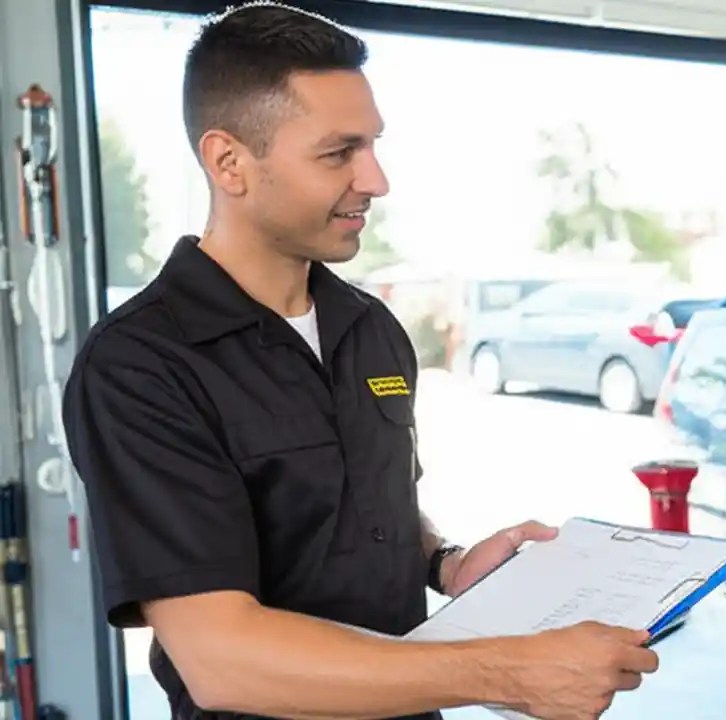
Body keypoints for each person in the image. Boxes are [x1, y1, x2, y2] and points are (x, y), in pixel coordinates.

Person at [62, 4, 657, 719]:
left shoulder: (369, 326)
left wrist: (446, 562)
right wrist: (510, 672)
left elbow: (364, 504)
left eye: (372, 146)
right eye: (338, 153)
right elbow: (221, 660)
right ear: (229, 163)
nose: (376, 180)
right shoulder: (139, 365)